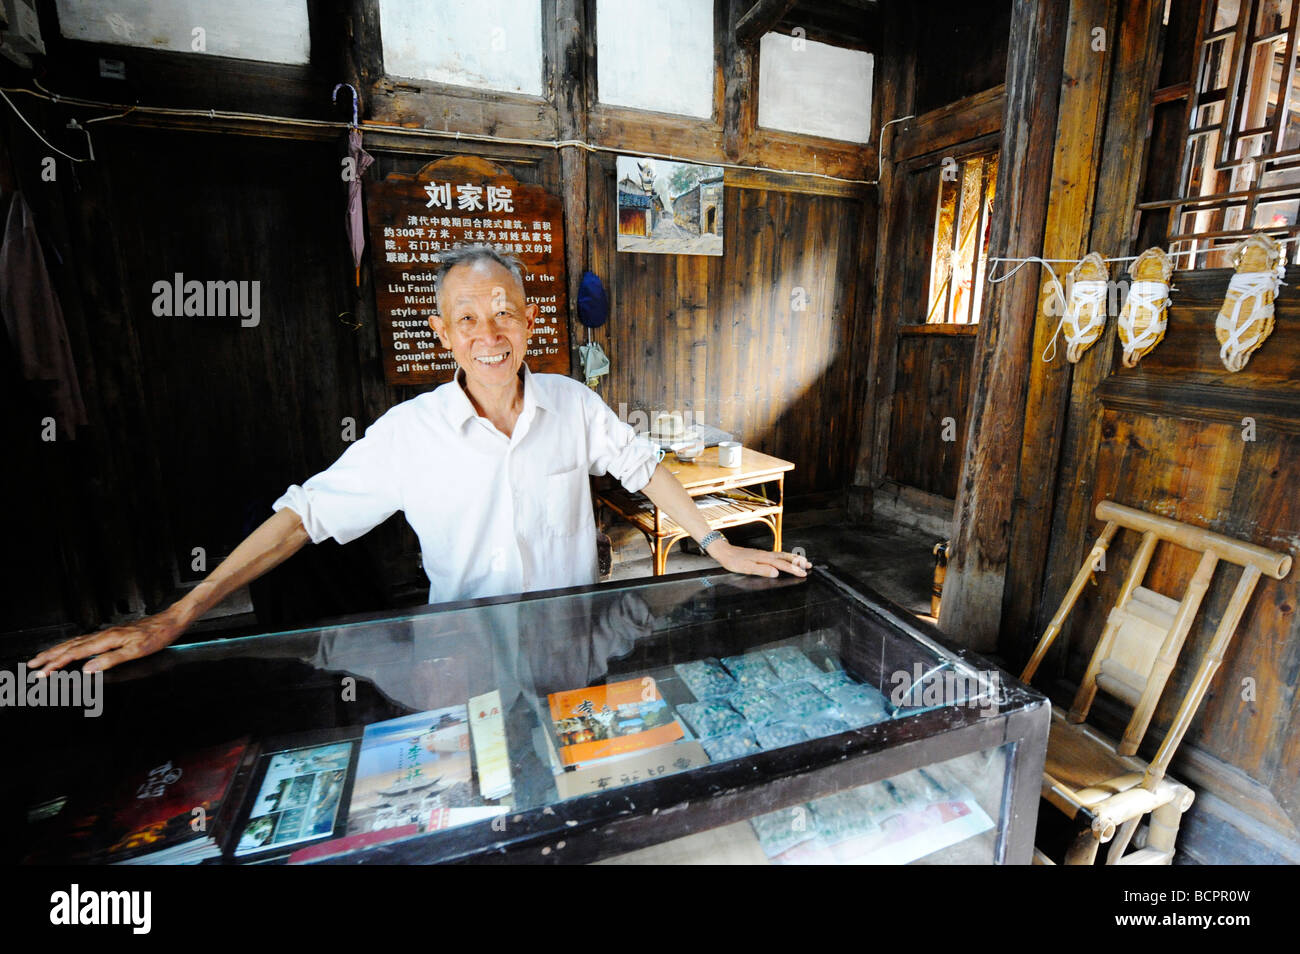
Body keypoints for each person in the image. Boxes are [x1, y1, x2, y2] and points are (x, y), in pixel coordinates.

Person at [30, 246, 808, 675]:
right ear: (444, 335)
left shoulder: (573, 403)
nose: (489, 331)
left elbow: (643, 468)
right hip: (461, 660)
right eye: (467, 318)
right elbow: (302, 517)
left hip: (575, 647)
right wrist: (180, 613)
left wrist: (716, 543)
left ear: (530, 319)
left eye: (505, 311)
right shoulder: (409, 432)